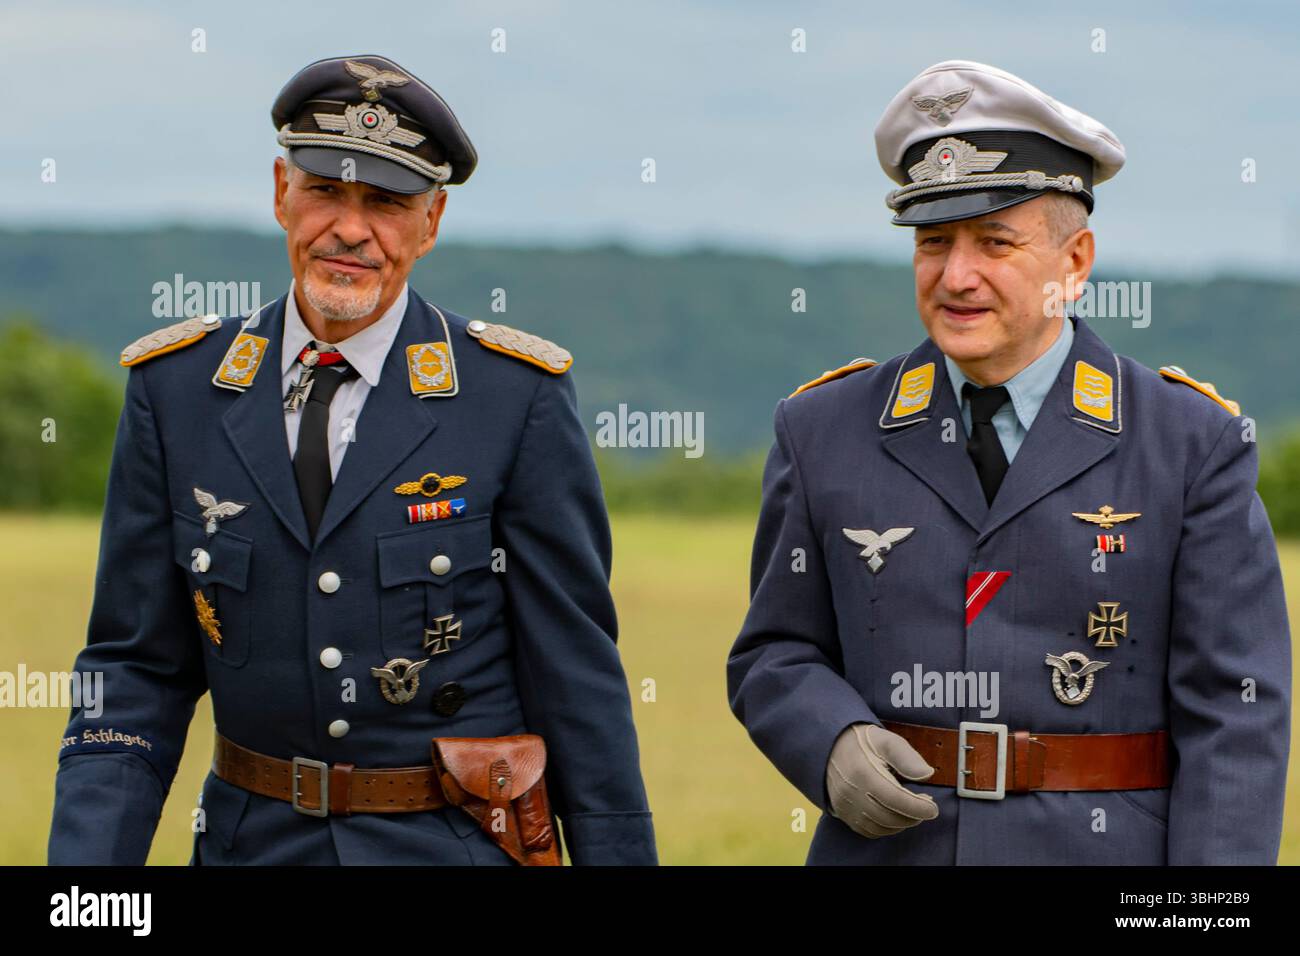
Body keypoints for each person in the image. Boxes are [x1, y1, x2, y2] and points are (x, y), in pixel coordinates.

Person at [48, 54, 656, 866]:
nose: (350, 230)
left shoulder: (514, 399)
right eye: (325, 191)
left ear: (431, 222)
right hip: (246, 846)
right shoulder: (177, 389)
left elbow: (577, 683)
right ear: (279, 193)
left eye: (387, 203)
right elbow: (133, 671)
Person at [727, 60, 1290, 864]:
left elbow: (1235, 718)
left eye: (995, 242)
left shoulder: (1189, 445)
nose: (957, 277)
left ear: (1076, 261)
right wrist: (830, 738)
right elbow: (775, 653)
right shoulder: (822, 431)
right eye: (933, 243)